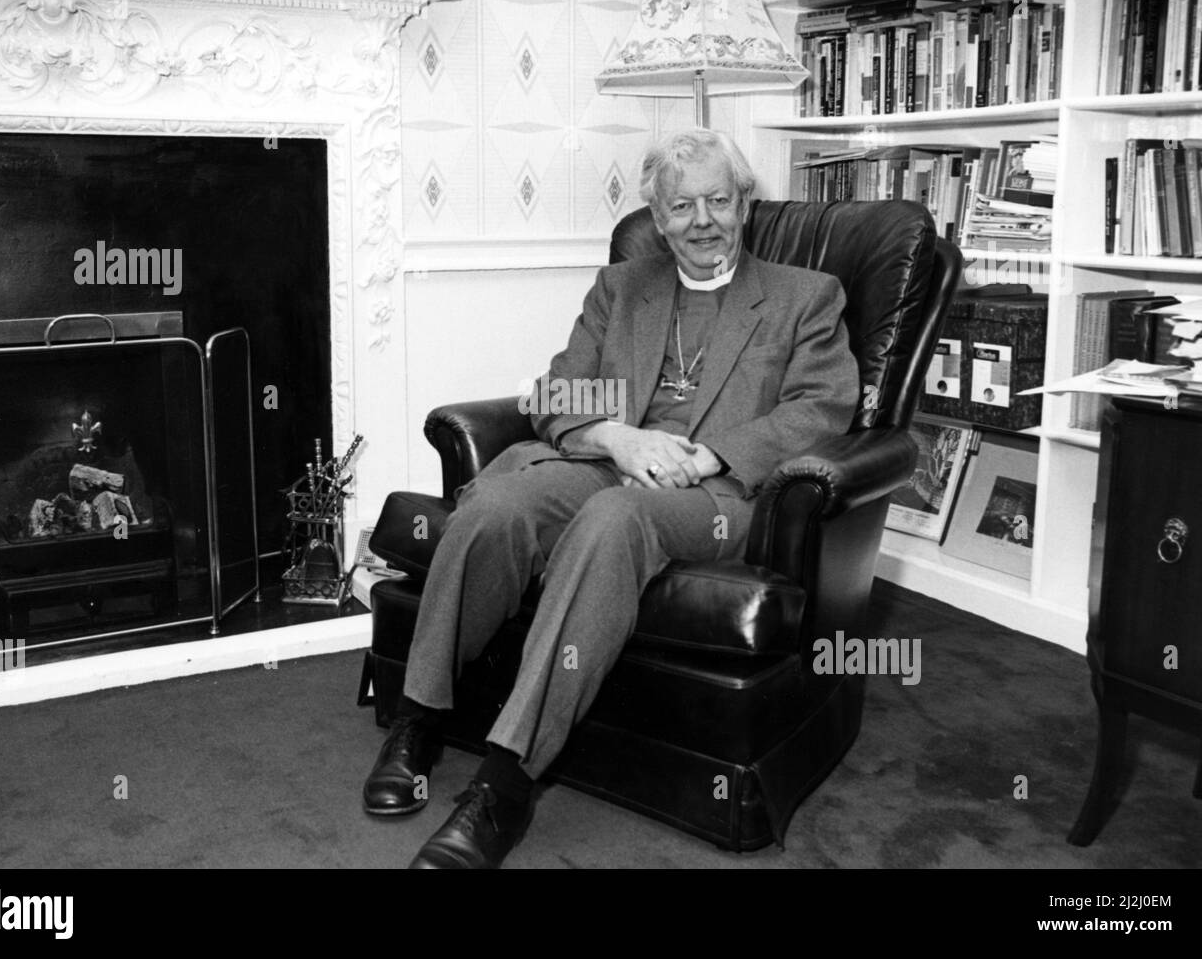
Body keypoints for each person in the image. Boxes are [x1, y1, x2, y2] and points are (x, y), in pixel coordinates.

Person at [363, 128, 860, 868]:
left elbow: (820, 408)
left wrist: (712, 452)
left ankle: (503, 783)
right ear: (656, 220)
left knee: (614, 516)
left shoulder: (801, 297)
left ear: (744, 204)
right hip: (611, 463)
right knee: (499, 507)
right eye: (682, 205)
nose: (703, 220)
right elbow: (559, 391)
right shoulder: (625, 288)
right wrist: (621, 440)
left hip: (715, 492)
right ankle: (420, 717)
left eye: (720, 201)